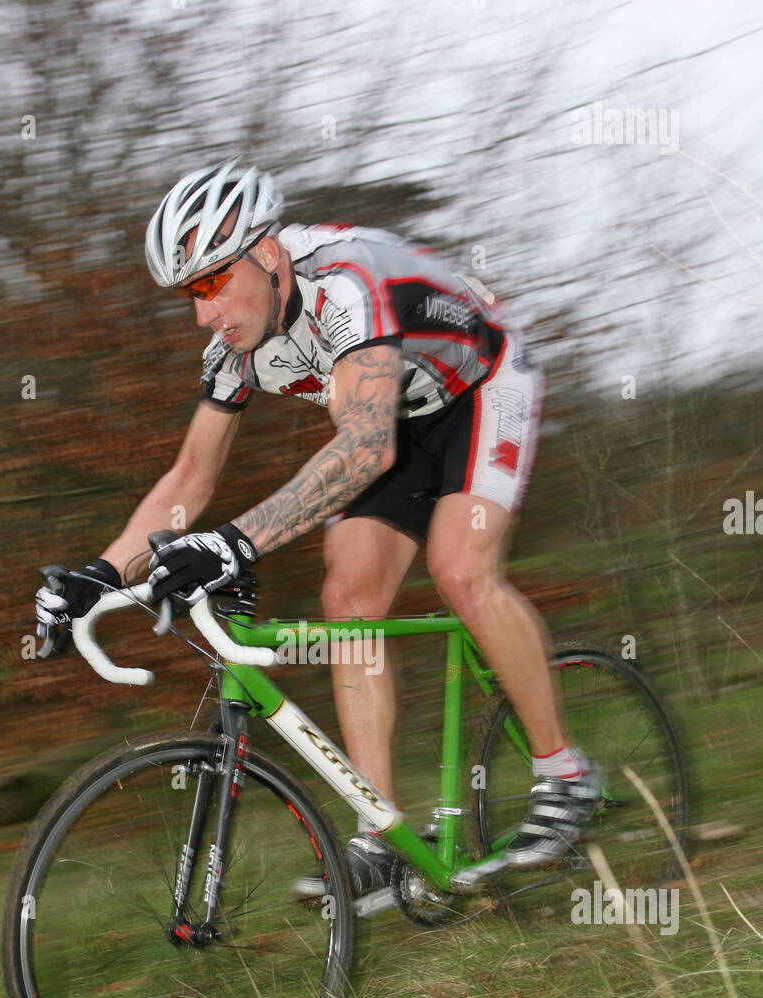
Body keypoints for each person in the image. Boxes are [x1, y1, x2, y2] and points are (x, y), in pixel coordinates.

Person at [36, 159, 600, 899]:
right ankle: (382, 830)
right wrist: (103, 575)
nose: (203, 312)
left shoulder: (347, 284)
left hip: (483, 383)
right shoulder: (234, 350)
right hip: (397, 414)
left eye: (210, 283)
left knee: (460, 569)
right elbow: (189, 478)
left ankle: (565, 773)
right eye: (188, 295)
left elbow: (366, 447)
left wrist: (232, 544)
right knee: (348, 599)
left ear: (267, 255)